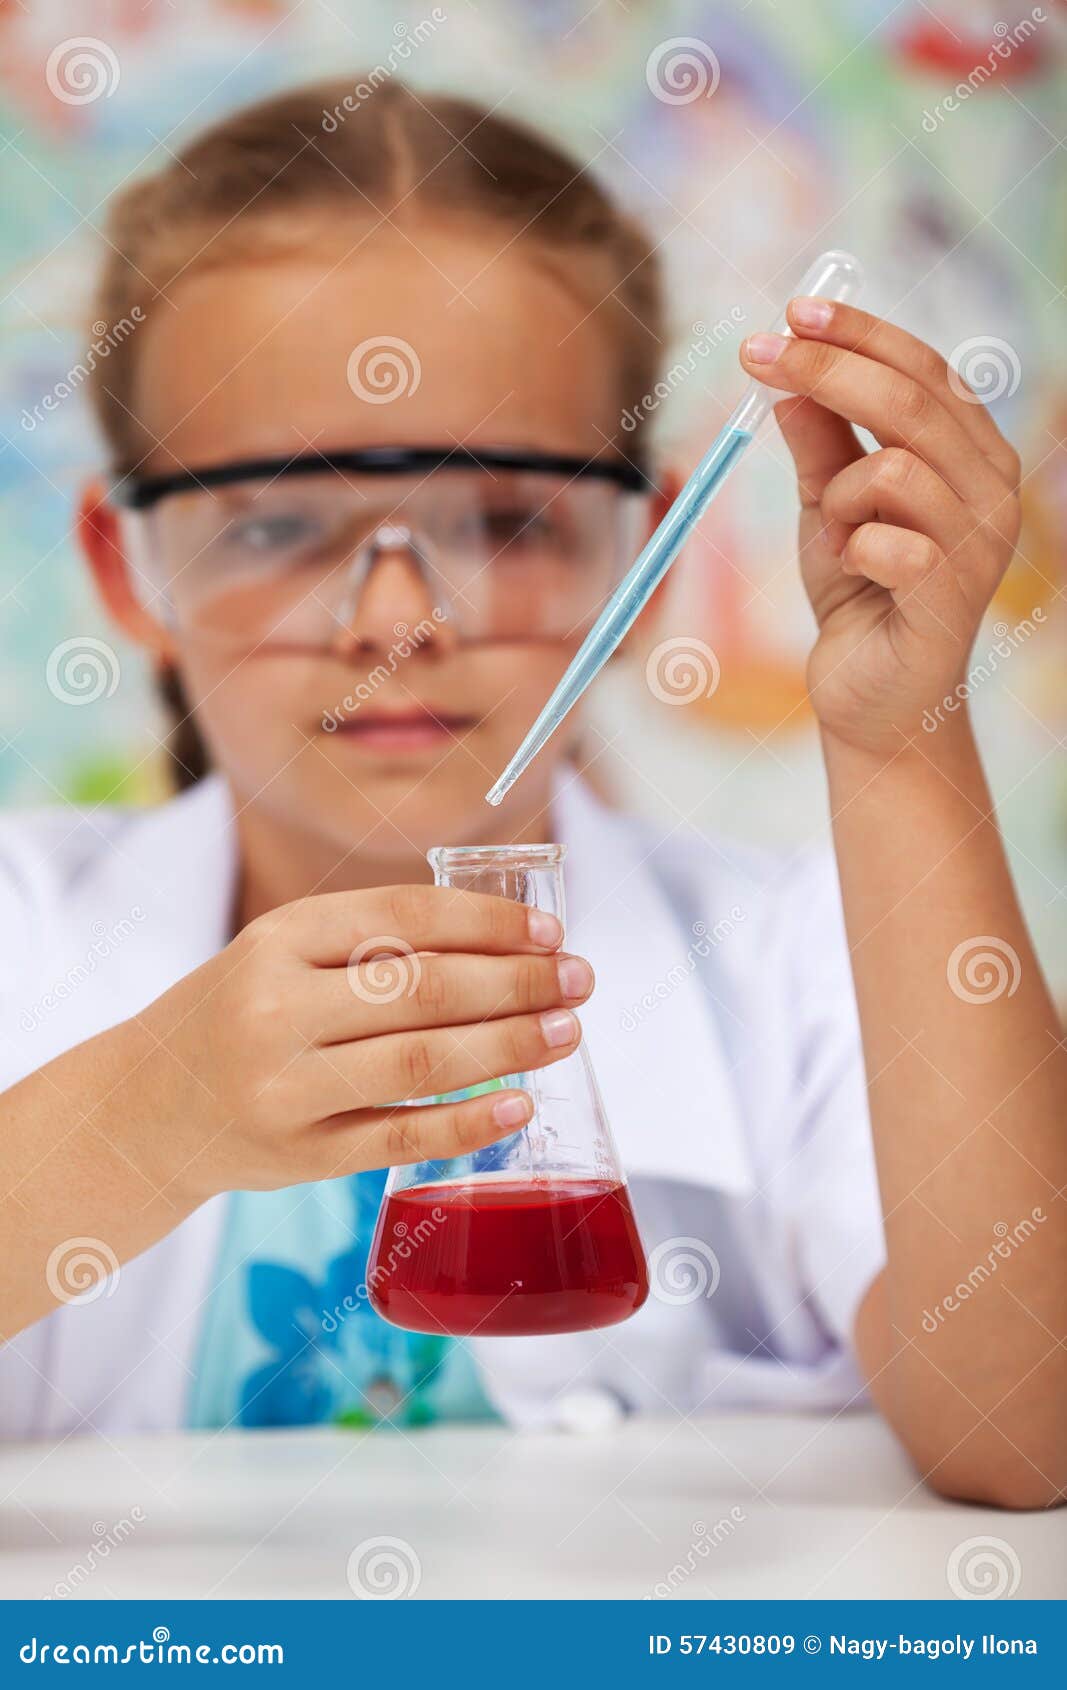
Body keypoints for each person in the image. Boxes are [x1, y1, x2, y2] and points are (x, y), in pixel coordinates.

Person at [1, 80, 1061, 1507]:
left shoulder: (802, 959)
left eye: (502, 519)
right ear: (131, 569)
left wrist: (899, 739)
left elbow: (1027, 1431)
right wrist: (139, 1120)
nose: (395, 616)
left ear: (649, 559)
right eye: (275, 520)